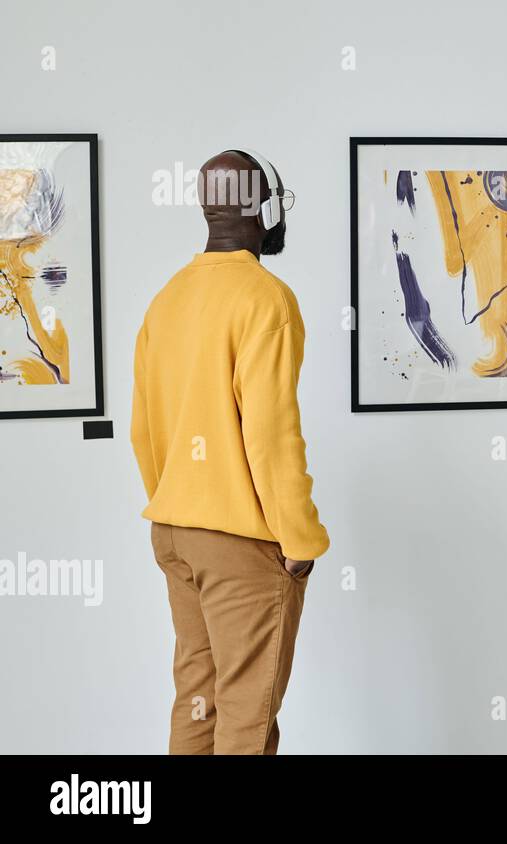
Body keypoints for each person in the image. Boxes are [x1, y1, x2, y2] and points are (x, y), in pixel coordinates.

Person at [130, 149, 328, 754]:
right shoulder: (266, 298)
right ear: (264, 208)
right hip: (242, 545)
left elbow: (143, 430)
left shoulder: (166, 298)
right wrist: (299, 540)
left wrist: (179, 502)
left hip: (175, 531)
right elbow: (270, 435)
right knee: (247, 718)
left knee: (198, 699)